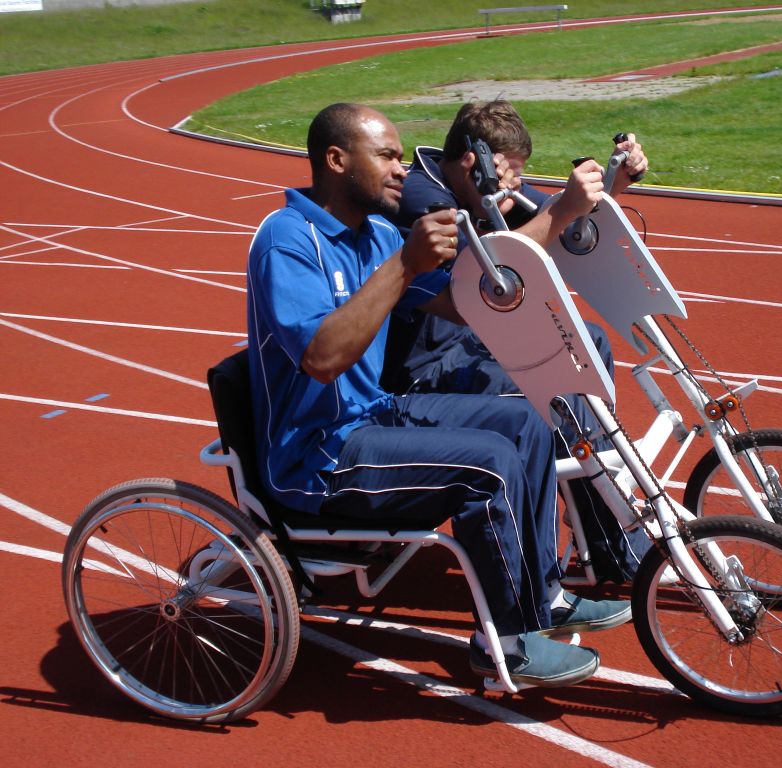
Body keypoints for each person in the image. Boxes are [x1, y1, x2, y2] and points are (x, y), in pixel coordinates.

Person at [245, 102, 632, 689]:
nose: (401, 169)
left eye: (402, 157)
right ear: (336, 160)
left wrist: (517, 259)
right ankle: (506, 643)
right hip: (318, 454)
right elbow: (322, 359)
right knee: (491, 463)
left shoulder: (377, 234)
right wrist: (405, 262)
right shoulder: (287, 239)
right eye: (386, 156)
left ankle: (544, 598)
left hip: (374, 414)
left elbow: (464, 303)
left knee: (527, 421)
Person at [383, 99, 652, 583]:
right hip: (423, 371)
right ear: (473, 161)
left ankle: (600, 528)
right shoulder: (421, 198)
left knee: (585, 340)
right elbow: (480, 286)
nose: (514, 185)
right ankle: (574, 558)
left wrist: (612, 182)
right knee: (557, 378)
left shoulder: (483, 180)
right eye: (511, 174)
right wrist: (562, 209)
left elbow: (552, 215)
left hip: (471, 346)